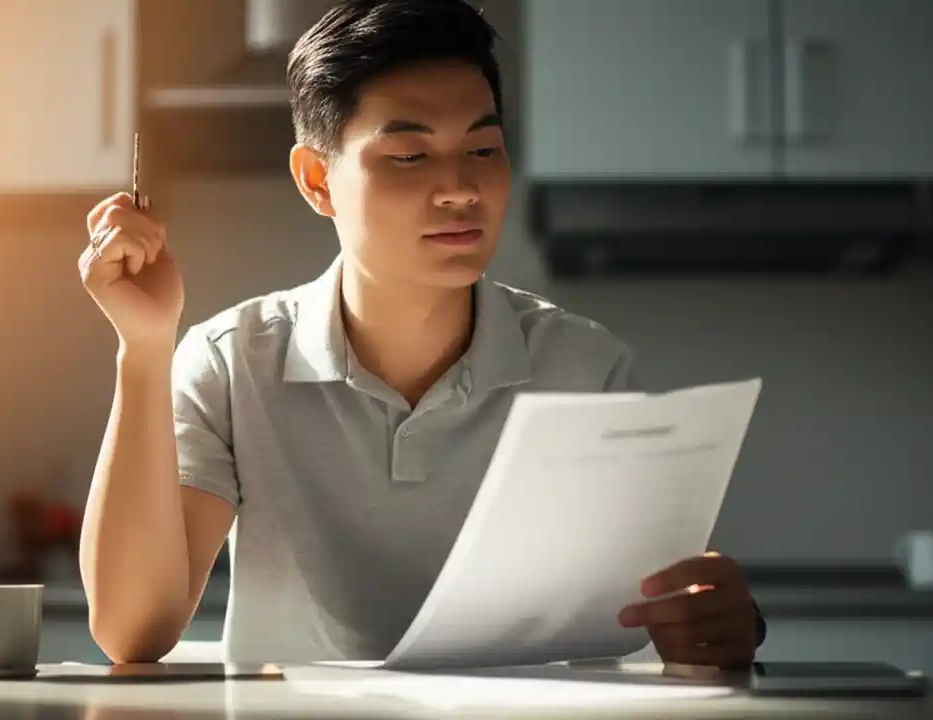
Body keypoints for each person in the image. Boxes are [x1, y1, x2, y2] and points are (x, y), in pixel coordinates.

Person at [77, 0, 765, 666]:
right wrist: (142, 348)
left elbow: (673, 613)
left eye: (484, 149)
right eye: (410, 157)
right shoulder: (230, 363)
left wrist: (719, 626)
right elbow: (133, 631)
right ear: (317, 180)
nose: (462, 188)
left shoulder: (586, 366)